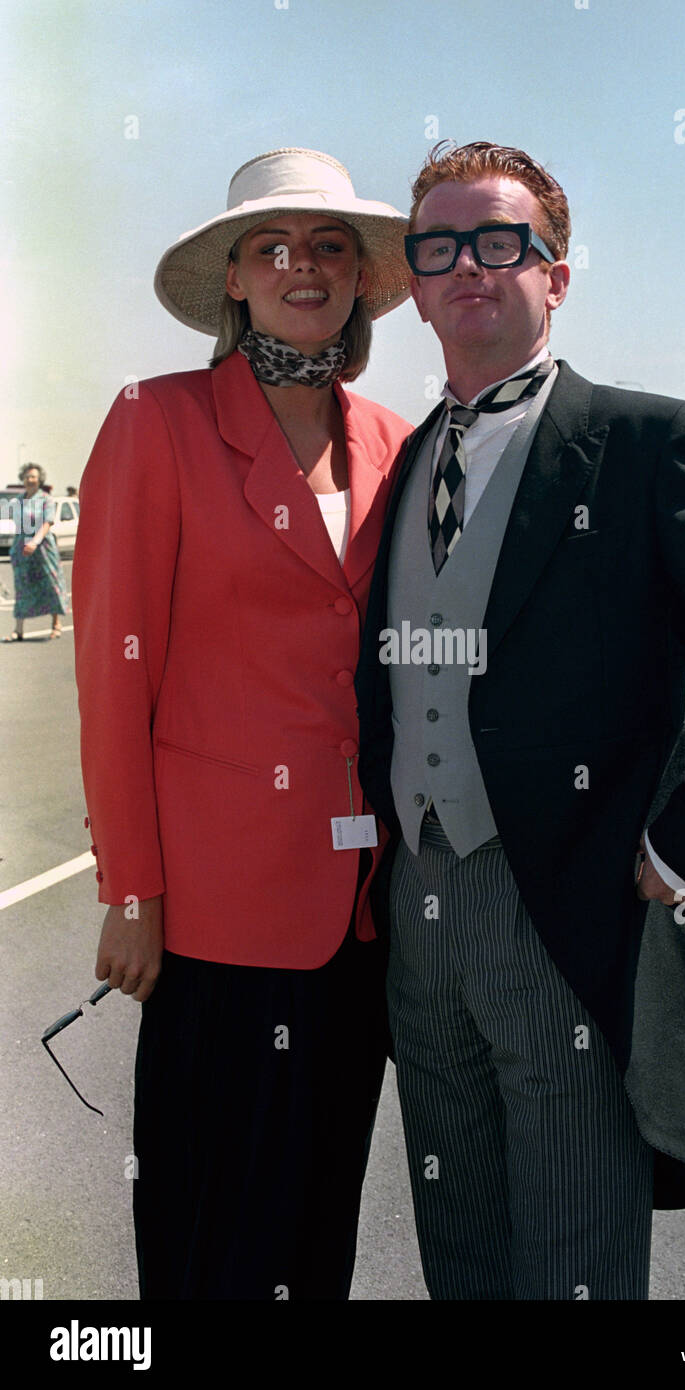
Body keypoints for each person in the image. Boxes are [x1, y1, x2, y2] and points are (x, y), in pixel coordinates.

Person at [355, 141, 685, 1300]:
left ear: (553, 276)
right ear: (413, 286)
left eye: (501, 241)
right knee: (455, 1236)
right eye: (440, 247)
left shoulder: (642, 441)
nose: (469, 265)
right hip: (416, 909)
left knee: (572, 1254)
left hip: (564, 906)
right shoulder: (407, 459)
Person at [74, 147, 412, 1300]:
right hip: (214, 917)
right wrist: (133, 890)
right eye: (271, 248)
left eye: (327, 246)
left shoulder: (396, 442)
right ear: (232, 278)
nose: (300, 267)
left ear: (360, 280)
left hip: (358, 921)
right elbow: (115, 678)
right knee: (207, 1222)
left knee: (314, 1227)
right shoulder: (156, 423)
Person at [2, 463, 67, 641]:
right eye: (27, 477)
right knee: (22, 587)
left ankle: (56, 624)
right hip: (22, 549)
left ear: (39, 480)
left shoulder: (46, 499)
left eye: (33, 477)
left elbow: (47, 523)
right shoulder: (18, 501)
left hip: (42, 547)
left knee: (51, 583)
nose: (30, 480)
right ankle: (18, 629)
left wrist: (35, 542)